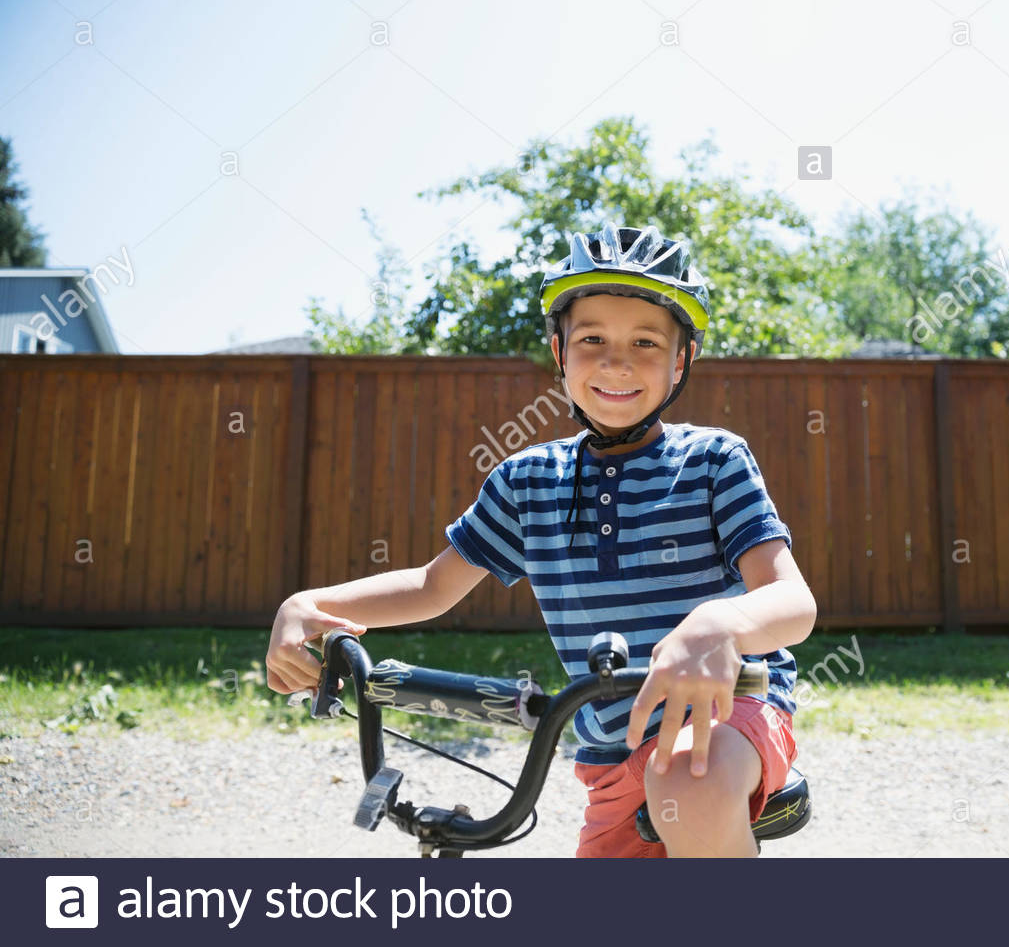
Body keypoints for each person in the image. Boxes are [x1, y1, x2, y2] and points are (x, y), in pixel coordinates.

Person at [266, 224, 816, 857]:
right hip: (613, 755)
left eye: (645, 341)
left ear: (680, 361)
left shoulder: (715, 461)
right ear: (560, 353)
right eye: (592, 339)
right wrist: (310, 606)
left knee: (688, 779)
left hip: (730, 720)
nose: (617, 360)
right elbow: (431, 585)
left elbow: (793, 604)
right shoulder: (529, 482)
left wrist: (718, 625)